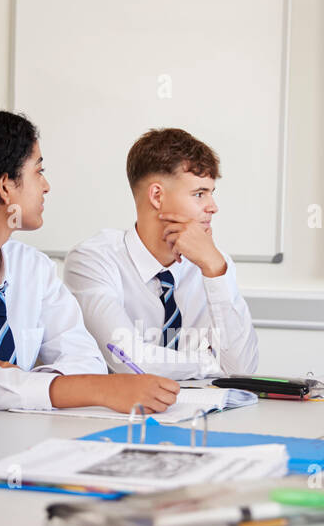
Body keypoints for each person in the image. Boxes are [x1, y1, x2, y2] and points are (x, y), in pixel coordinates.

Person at [0, 106, 179, 413]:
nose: (46, 186)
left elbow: (85, 359)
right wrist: (80, 388)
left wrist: (20, 382)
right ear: (5, 186)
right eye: (38, 171)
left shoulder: (33, 267)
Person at [62, 128, 259, 380]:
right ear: (157, 196)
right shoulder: (93, 260)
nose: (213, 207)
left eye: (211, 193)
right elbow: (128, 360)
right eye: (199, 194)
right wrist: (210, 364)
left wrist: (215, 271)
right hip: (118, 416)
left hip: (202, 414)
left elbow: (242, 370)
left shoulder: (213, 263)